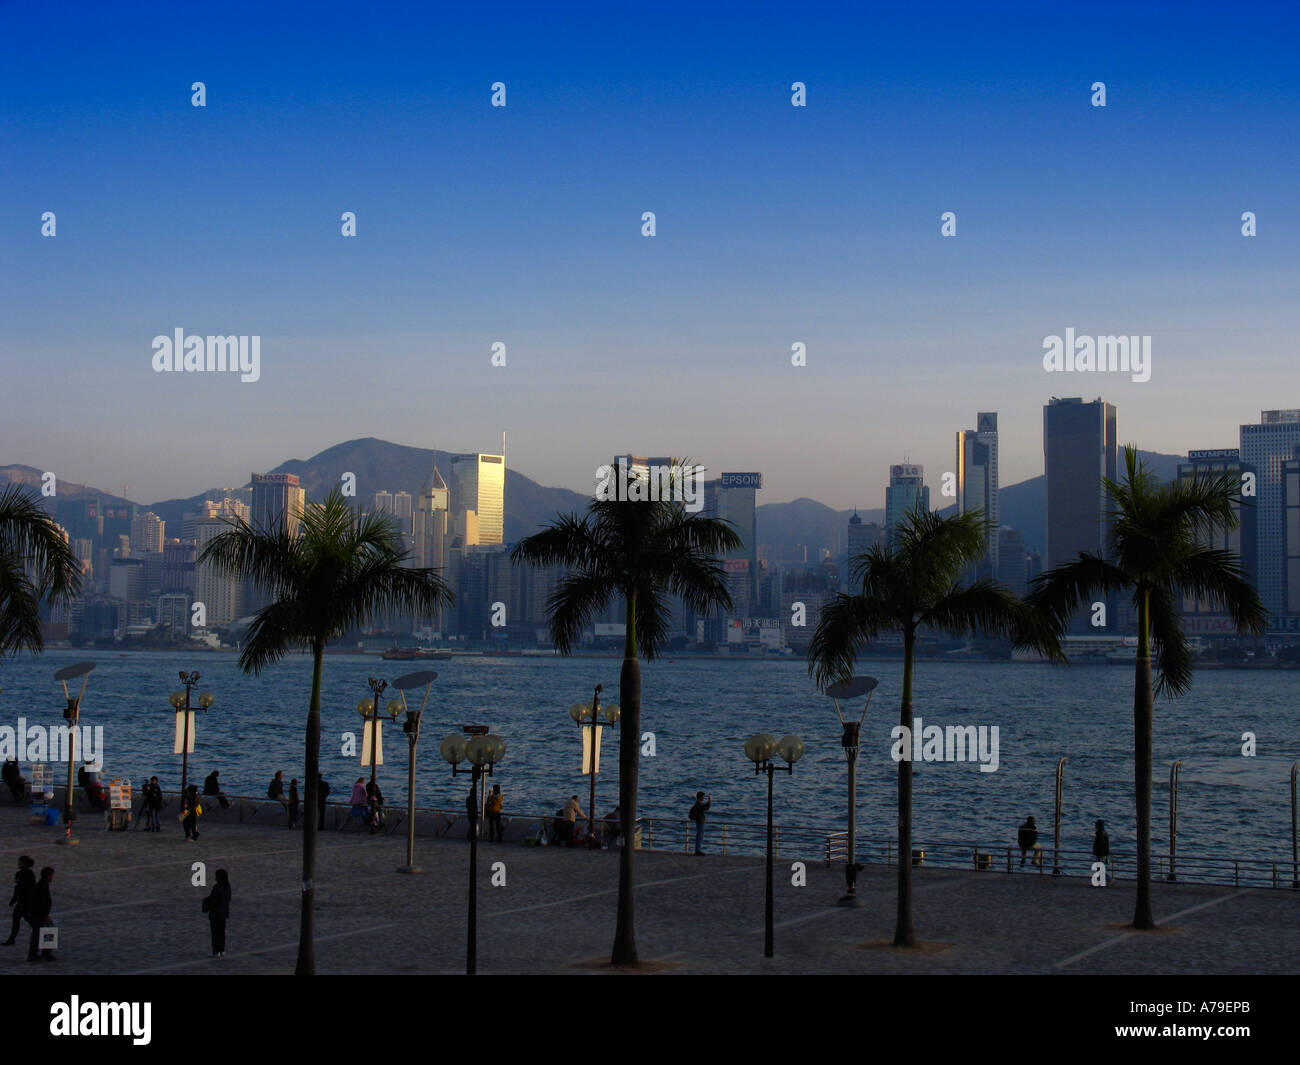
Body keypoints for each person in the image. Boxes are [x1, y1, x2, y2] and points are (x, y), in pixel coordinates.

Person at [2, 856, 35, 946]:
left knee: (27, 919)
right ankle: (12, 939)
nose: (19, 864)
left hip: (25, 902)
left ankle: (38, 932)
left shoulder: (29, 874)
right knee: (16, 919)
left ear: (25, 864)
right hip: (20, 902)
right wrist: (14, 899)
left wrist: (28, 903)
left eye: (20, 863)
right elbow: (16, 888)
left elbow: (31, 890)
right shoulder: (18, 874)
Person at [26, 866, 54, 962]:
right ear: (48, 875)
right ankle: (43, 953)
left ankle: (41, 953)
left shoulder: (42, 884)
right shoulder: (42, 885)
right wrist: (45, 914)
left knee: (40, 933)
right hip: (39, 914)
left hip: (38, 914)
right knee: (44, 932)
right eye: (52, 875)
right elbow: (42, 902)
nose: (52, 877)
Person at [202, 868, 231, 957]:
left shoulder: (217, 887)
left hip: (216, 914)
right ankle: (222, 950)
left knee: (215, 933)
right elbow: (228, 899)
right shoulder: (227, 886)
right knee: (221, 933)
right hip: (223, 913)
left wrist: (206, 900)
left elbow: (213, 899)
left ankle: (216, 951)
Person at [688, 791, 712, 855]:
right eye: (703, 796)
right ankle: (698, 850)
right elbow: (706, 807)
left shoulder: (697, 803)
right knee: (700, 836)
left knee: (699, 835)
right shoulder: (699, 804)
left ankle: (697, 850)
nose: (704, 798)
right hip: (700, 822)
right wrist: (709, 800)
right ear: (700, 797)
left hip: (699, 821)